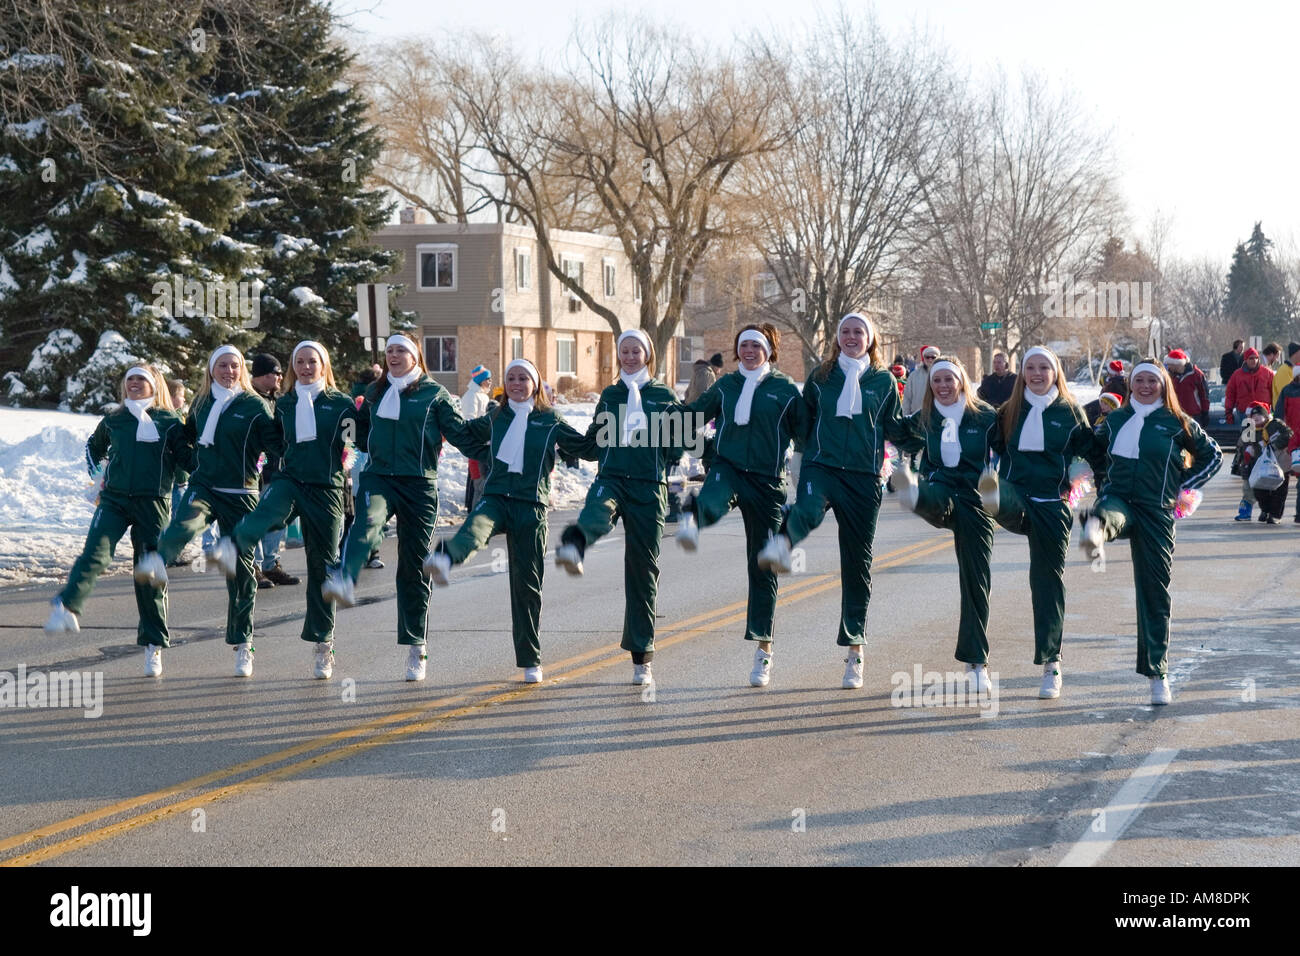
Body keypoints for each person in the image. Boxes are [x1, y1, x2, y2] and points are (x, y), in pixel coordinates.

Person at [755, 313, 911, 689]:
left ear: (870, 338)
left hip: (863, 477)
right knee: (807, 510)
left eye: (858, 331)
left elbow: (894, 428)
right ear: (837, 337)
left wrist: (932, 427)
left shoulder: (884, 381)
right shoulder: (821, 376)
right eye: (845, 331)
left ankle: (855, 650)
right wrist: (789, 451)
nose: (851, 337)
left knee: (857, 563)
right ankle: (783, 543)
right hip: (821, 466)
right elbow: (802, 420)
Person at [422, 358, 596, 684]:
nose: (516, 383)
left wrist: (606, 422)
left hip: (532, 506)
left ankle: (531, 659)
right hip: (497, 497)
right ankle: (446, 557)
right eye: (511, 378)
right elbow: (463, 434)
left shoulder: (550, 421)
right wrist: (440, 409)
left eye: (523, 378)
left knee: (527, 587)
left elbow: (586, 448)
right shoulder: (496, 417)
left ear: (535, 383)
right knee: (476, 527)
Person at [322, 335, 481, 681]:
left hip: (418, 484)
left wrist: (495, 430)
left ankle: (416, 645)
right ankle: (345, 578)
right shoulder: (375, 392)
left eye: (401, 351)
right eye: (390, 350)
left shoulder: (434, 395)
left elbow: (461, 434)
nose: (394, 356)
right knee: (368, 523)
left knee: (413, 567)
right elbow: (359, 433)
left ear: (415, 357)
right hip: (380, 477)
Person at [210, 342, 358, 679]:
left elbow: (355, 441)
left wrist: (351, 453)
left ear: (324, 364)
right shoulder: (285, 403)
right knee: (265, 512)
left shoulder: (341, 404)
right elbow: (272, 440)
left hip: (327, 489)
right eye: (300, 362)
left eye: (312, 361)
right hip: (290, 479)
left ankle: (323, 645)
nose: (306, 367)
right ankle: (231, 545)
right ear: (293, 367)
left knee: (322, 569)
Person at [1079, 361, 1222, 705]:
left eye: (1151, 381)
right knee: (1107, 512)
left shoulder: (1177, 422)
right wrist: (1099, 478)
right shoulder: (1114, 420)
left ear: (1163, 385)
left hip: (1157, 511)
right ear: (1130, 384)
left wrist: (1182, 487)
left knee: (1155, 592)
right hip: (1118, 499)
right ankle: (1096, 530)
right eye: (1138, 380)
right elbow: (1091, 452)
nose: (1144, 386)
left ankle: (1157, 674)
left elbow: (1213, 457)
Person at [136, 346, 284, 677]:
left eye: (234, 365)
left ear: (241, 370)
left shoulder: (254, 405)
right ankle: (157, 559)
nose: (228, 371)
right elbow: (187, 437)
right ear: (211, 369)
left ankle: (243, 642)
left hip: (242, 492)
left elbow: (276, 445)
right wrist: (186, 458)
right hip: (205, 486)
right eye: (222, 365)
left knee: (242, 572)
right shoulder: (202, 402)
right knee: (184, 524)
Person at [676, 324, 809, 687]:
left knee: (763, 566)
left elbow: (806, 436)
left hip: (767, 483)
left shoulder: (784, 390)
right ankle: (693, 516)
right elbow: (692, 416)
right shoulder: (726, 385)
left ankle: (763, 651)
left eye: (756, 345)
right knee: (712, 501)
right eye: (743, 345)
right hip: (728, 469)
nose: (749, 351)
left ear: (769, 350)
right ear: (737, 351)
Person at [554, 331, 682, 685]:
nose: (629, 356)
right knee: (596, 512)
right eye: (624, 351)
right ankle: (574, 544)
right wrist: (563, 437)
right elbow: (596, 442)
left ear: (648, 354)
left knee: (643, 572)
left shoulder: (662, 395)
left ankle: (642, 657)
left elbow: (675, 447)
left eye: (635, 350)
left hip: (649, 487)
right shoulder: (610, 396)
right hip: (611, 476)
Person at [44, 366, 188, 677]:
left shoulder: (169, 421)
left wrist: (180, 479)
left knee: (148, 573)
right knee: (95, 551)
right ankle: (68, 605)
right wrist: (100, 477)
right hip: (115, 500)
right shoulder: (115, 419)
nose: (134, 384)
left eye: (141, 379)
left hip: (154, 503)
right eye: (130, 379)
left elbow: (184, 462)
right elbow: (93, 447)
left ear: (154, 386)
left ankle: (153, 645)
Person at [981, 347, 1104, 699]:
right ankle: (992, 498)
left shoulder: (1070, 412)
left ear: (1055, 372)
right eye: (1030, 368)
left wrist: (1103, 493)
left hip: (1054, 503)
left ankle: (1052, 662)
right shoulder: (1009, 411)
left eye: (1043, 368)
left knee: (1047, 580)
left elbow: (1095, 454)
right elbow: (983, 441)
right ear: (1022, 373)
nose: (1036, 374)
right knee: (997, 494)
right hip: (1018, 498)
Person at [892, 357, 1000, 694]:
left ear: (961, 381)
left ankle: (976, 660)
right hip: (941, 490)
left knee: (976, 581)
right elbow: (886, 427)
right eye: (936, 381)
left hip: (977, 500)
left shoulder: (985, 417)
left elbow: (1010, 447)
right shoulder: (924, 419)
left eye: (948, 380)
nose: (942, 386)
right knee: (933, 494)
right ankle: (915, 494)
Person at [248, 353, 297, 589]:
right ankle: (255, 566)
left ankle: (271, 563)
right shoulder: (248, 400)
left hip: (278, 471)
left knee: (277, 520)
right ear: (262, 376)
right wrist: (257, 468)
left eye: (279, 373)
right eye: (275, 373)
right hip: (255, 471)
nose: (280, 377)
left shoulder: (278, 399)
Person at [1229, 401, 1291, 524]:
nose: (1256, 418)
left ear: (1267, 415)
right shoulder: (1249, 429)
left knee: (1279, 492)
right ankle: (1266, 510)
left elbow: (1288, 435)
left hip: (1280, 465)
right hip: (1260, 467)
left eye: (1259, 415)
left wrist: (1272, 445)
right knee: (1259, 491)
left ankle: (1275, 515)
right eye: (1253, 416)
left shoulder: (1275, 424)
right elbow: (1243, 446)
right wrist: (1247, 454)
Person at [461, 364, 494, 512]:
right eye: (488, 379)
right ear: (480, 380)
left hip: (486, 441)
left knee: (479, 479)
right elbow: (470, 420)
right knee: (477, 479)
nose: (490, 382)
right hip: (477, 443)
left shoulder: (483, 395)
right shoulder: (471, 396)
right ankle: (473, 510)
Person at [1274, 365, 1300, 522]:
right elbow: (1278, 416)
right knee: (1286, 477)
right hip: (1293, 438)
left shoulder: (1287, 391)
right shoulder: (1287, 391)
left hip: (1293, 437)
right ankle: (1275, 512)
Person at [1224, 348, 1274, 423]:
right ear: (1246, 359)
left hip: (1263, 412)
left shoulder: (1267, 373)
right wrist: (1228, 412)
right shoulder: (1237, 375)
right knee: (1247, 434)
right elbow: (1230, 394)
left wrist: (1276, 409)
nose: (1254, 360)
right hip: (1244, 413)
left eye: (1256, 358)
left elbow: (1274, 392)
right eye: (1251, 358)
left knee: (1265, 434)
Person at [1164, 349, 1210, 427]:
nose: (1168, 367)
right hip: (1175, 415)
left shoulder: (1197, 375)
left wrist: (1205, 412)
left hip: (1194, 416)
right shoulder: (1169, 377)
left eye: (1170, 364)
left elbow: (1204, 395)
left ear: (1177, 364)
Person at [901, 345, 939, 417]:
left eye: (933, 357)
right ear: (923, 358)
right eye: (927, 357)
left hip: (937, 418)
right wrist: (906, 417)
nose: (930, 360)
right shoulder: (914, 376)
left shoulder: (943, 375)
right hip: (916, 417)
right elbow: (907, 398)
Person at [1270, 342, 1300, 409]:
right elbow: (1288, 393)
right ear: (1296, 353)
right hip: (1284, 413)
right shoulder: (1284, 371)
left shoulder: (1294, 369)